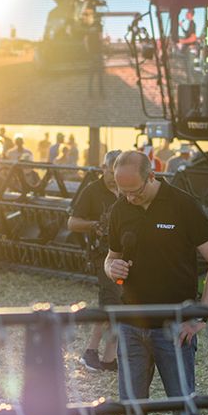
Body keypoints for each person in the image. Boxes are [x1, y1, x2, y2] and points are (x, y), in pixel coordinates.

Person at [104, 150, 208, 415]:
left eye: (135, 190)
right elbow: (111, 258)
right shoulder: (121, 208)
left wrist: (202, 315)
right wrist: (111, 267)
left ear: (152, 176)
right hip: (131, 326)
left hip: (174, 329)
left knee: (185, 413)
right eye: (122, 190)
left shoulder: (183, 205)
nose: (128, 197)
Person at [68, 150, 122, 372]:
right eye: (110, 172)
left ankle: (109, 359)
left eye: (117, 172)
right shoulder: (93, 191)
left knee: (121, 303)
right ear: (103, 168)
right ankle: (90, 352)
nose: (114, 177)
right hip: (102, 254)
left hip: (126, 254)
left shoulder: (128, 189)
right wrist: (94, 225)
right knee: (110, 301)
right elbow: (72, 223)